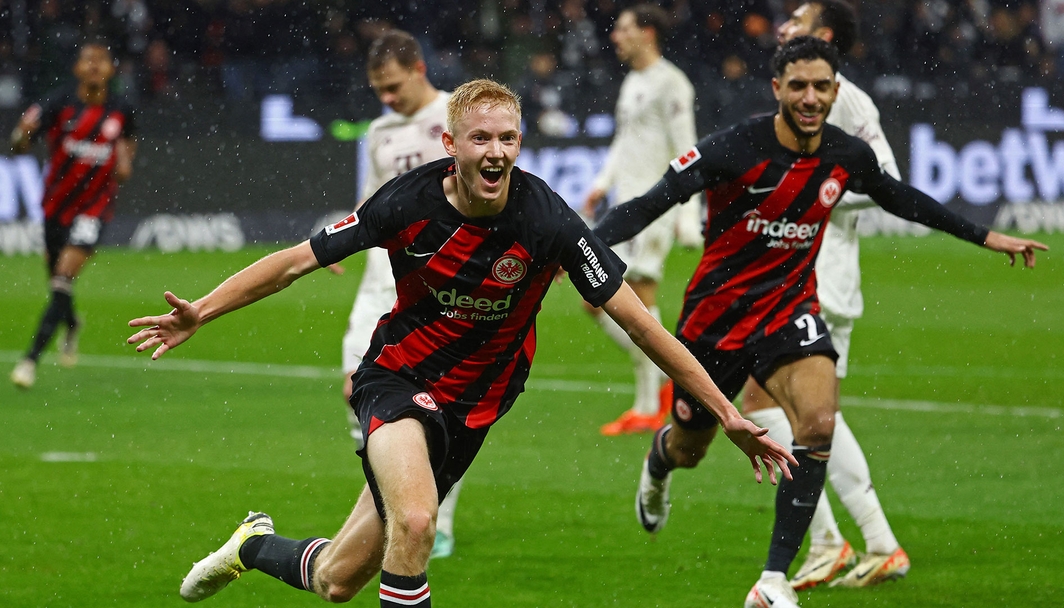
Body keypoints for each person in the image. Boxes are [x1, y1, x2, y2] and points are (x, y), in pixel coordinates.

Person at [126, 79, 795, 607]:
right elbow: (298, 260)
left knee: (338, 578)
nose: (495, 152)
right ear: (450, 143)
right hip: (395, 379)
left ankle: (252, 545)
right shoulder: (405, 203)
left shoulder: (548, 220)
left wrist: (727, 413)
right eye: (480, 138)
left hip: (474, 408)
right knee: (416, 524)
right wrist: (202, 312)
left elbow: (643, 325)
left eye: (507, 138)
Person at [594, 37, 1047, 608]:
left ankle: (774, 580)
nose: (811, 97)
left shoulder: (844, 155)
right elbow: (648, 203)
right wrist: (577, 245)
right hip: (716, 321)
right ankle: (658, 467)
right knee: (689, 449)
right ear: (777, 88)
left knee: (818, 423)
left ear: (836, 91)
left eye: (822, 86)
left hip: (790, 312)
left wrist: (986, 236)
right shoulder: (735, 148)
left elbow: (900, 198)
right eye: (800, 85)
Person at [740, 0, 908, 590]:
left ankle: (837, 540)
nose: (785, 24)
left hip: (821, 280)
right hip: (800, 277)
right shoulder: (810, 93)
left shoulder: (847, 98)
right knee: (783, 406)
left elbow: (884, 177)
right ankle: (862, 540)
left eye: (798, 18)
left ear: (825, 35)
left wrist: (820, 190)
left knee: (783, 408)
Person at [343, 29, 461, 560]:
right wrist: (339, 241)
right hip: (379, 276)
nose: (386, 99)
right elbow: (367, 200)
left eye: (392, 86)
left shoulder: (455, 117)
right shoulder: (380, 131)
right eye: (378, 90)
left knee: (439, 405)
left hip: (440, 280)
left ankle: (436, 519)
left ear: (418, 68)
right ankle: (394, 498)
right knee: (353, 384)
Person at [582, 4, 704, 436]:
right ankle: (662, 388)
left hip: (653, 208)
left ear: (647, 33)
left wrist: (688, 214)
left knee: (630, 301)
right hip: (625, 207)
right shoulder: (633, 82)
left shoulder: (672, 83)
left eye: (624, 29)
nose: (616, 36)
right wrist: (601, 183)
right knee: (600, 300)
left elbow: (687, 149)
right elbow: (624, 142)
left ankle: (653, 401)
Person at [9, 39, 137, 389]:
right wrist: (22, 135)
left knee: (63, 277)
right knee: (56, 282)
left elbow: (127, 149)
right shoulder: (58, 103)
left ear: (111, 70)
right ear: (77, 69)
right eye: (88, 61)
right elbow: (19, 144)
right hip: (55, 206)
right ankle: (71, 322)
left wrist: (124, 160)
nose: (94, 66)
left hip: (93, 210)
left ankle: (29, 361)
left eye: (101, 61)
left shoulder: (122, 109)